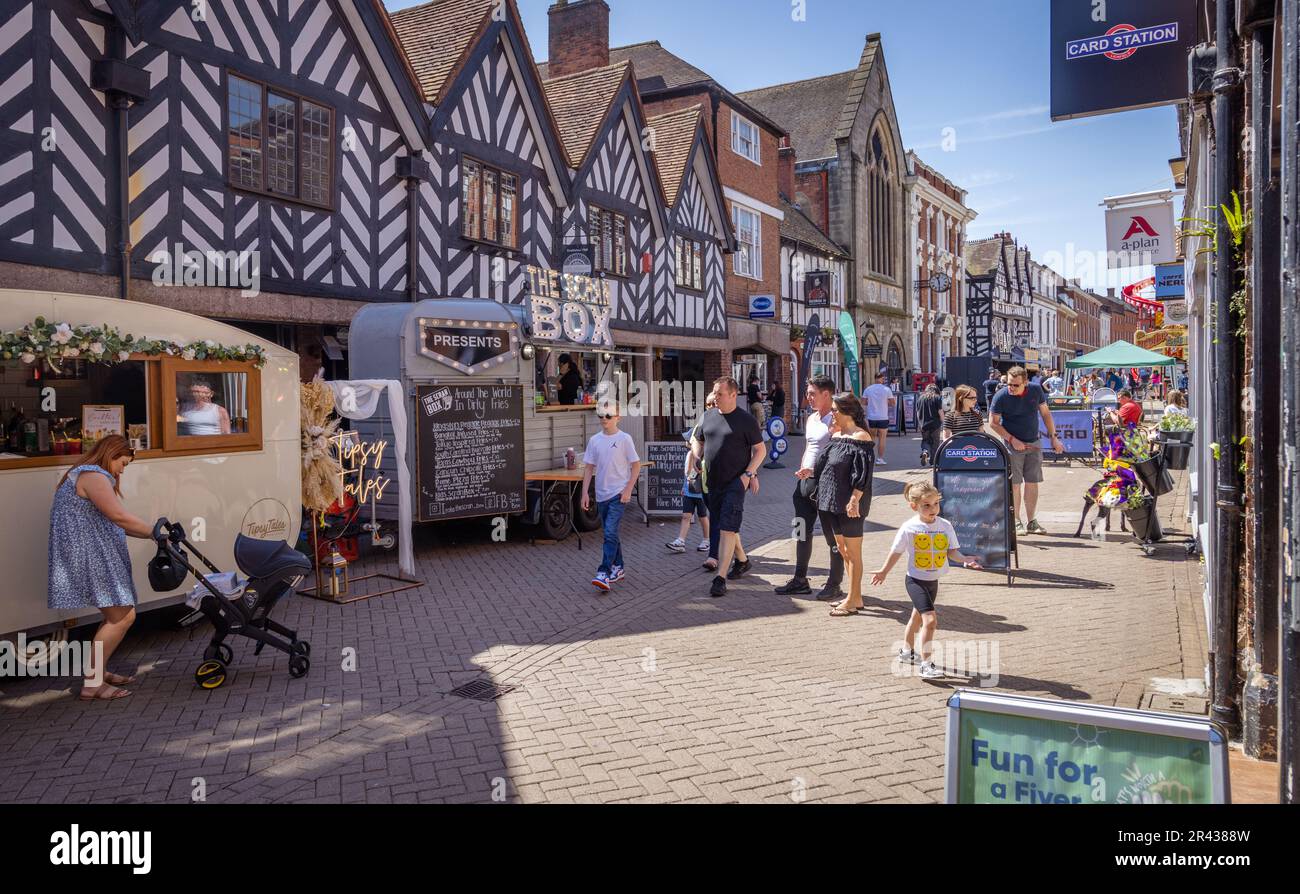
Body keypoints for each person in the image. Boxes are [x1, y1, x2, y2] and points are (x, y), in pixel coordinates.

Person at [47, 435, 154, 701]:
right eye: (123, 463)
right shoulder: (94, 475)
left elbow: (114, 522)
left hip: (87, 554)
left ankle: (98, 671)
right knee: (122, 616)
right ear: (111, 455)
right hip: (90, 556)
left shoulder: (82, 473)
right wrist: (155, 532)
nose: (122, 470)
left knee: (113, 615)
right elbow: (117, 516)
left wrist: (151, 533)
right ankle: (93, 683)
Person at [871, 482, 980, 680]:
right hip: (915, 581)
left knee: (916, 617)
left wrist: (965, 560)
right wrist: (883, 571)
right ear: (914, 506)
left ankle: (906, 651)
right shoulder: (909, 527)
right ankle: (926, 664)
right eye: (926, 505)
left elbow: (951, 551)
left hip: (933, 580)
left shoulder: (945, 525)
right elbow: (896, 551)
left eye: (936, 504)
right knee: (930, 620)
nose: (933, 509)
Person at [691, 377, 765, 598]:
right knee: (727, 526)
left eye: (719, 393)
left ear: (734, 395)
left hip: (736, 482)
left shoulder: (746, 421)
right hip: (713, 482)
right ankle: (742, 561)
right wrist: (697, 455)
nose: (715, 397)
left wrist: (749, 474)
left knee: (726, 529)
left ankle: (720, 578)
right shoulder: (709, 416)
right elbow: (698, 439)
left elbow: (760, 450)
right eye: (714, 393)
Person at [775, 375, 845, 600]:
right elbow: (809, 447)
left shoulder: (838, 420)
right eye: (808, 393)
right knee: (800, 531)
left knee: (831, 536)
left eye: (812, 393)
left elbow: (839, 456)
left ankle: (834, 583)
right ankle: (799, 579)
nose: (808, 397)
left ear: (827, 394)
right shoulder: (812, 418)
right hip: (804, 485)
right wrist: (803, 468)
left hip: (826, 486)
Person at [812, 393, 875, 616]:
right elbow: (828, 464)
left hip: (850, 503)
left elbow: (863, 475)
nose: (832, 414)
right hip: (831, 500)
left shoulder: (861, 437)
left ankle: (851, 599)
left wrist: (855, 499)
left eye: (835, 410)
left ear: (848, 412)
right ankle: (854, 596)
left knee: (853, 552)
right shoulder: (837, 434)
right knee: (843, 550)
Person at [989, 366, 1064, 536]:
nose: (1011, 388)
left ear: (1026, 383)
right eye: (1009, 384)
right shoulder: (1001, 396)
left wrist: (1053, 437)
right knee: (1015, 484)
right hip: (1012, 444)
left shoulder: (1035, 390)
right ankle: (1016, 521)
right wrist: (1012, 439)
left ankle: (1031, 521)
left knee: (1032, 482)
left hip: (1033, 442)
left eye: (1016, 385)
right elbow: (993, 422)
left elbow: (1045, 414)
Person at [580, 407, 641, 591]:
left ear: (618, 417)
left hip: (618, 494)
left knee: (609, 533)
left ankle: (604, 572)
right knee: (610, 532)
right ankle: (619, 567)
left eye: (608, 415)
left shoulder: (624, 439)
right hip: (601, 495)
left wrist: (628, 489)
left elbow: (636, 466)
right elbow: (589, 468)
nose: (604, 419)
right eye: (601, 415)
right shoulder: (594, 440)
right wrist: (584, 493)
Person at [666, 434, 710, 555]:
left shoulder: (701, 455)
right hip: (689, 490)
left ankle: (707, 540)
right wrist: (684, 487)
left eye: (688, 440)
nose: (686, 442)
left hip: (700, 492)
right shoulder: (689, 454)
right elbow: (687, 474)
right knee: (686, 516)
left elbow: (697, 472)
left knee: (702, 517)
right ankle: (681, 540)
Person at [863, 370, 894, 465]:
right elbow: (893, 403)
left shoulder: (868, 389)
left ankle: (869, 457)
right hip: (883, 417)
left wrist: (871, 403)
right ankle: (880, 459)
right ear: (881, 379)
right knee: (882, 438)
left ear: (875, 378)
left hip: (872, 417)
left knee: (872, 438)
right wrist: (885, 403)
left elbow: (863, 402)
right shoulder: (886, 389)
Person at [915, 383, 944, 466]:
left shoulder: (920, 398)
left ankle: (925, 452)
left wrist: (919, 424)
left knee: (925, 440)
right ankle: (933, 462)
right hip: (935, 424)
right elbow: (940, 412)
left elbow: (917, 413)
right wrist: (944, 422)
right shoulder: (937, 398)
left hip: (923, 424)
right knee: (935, 443)